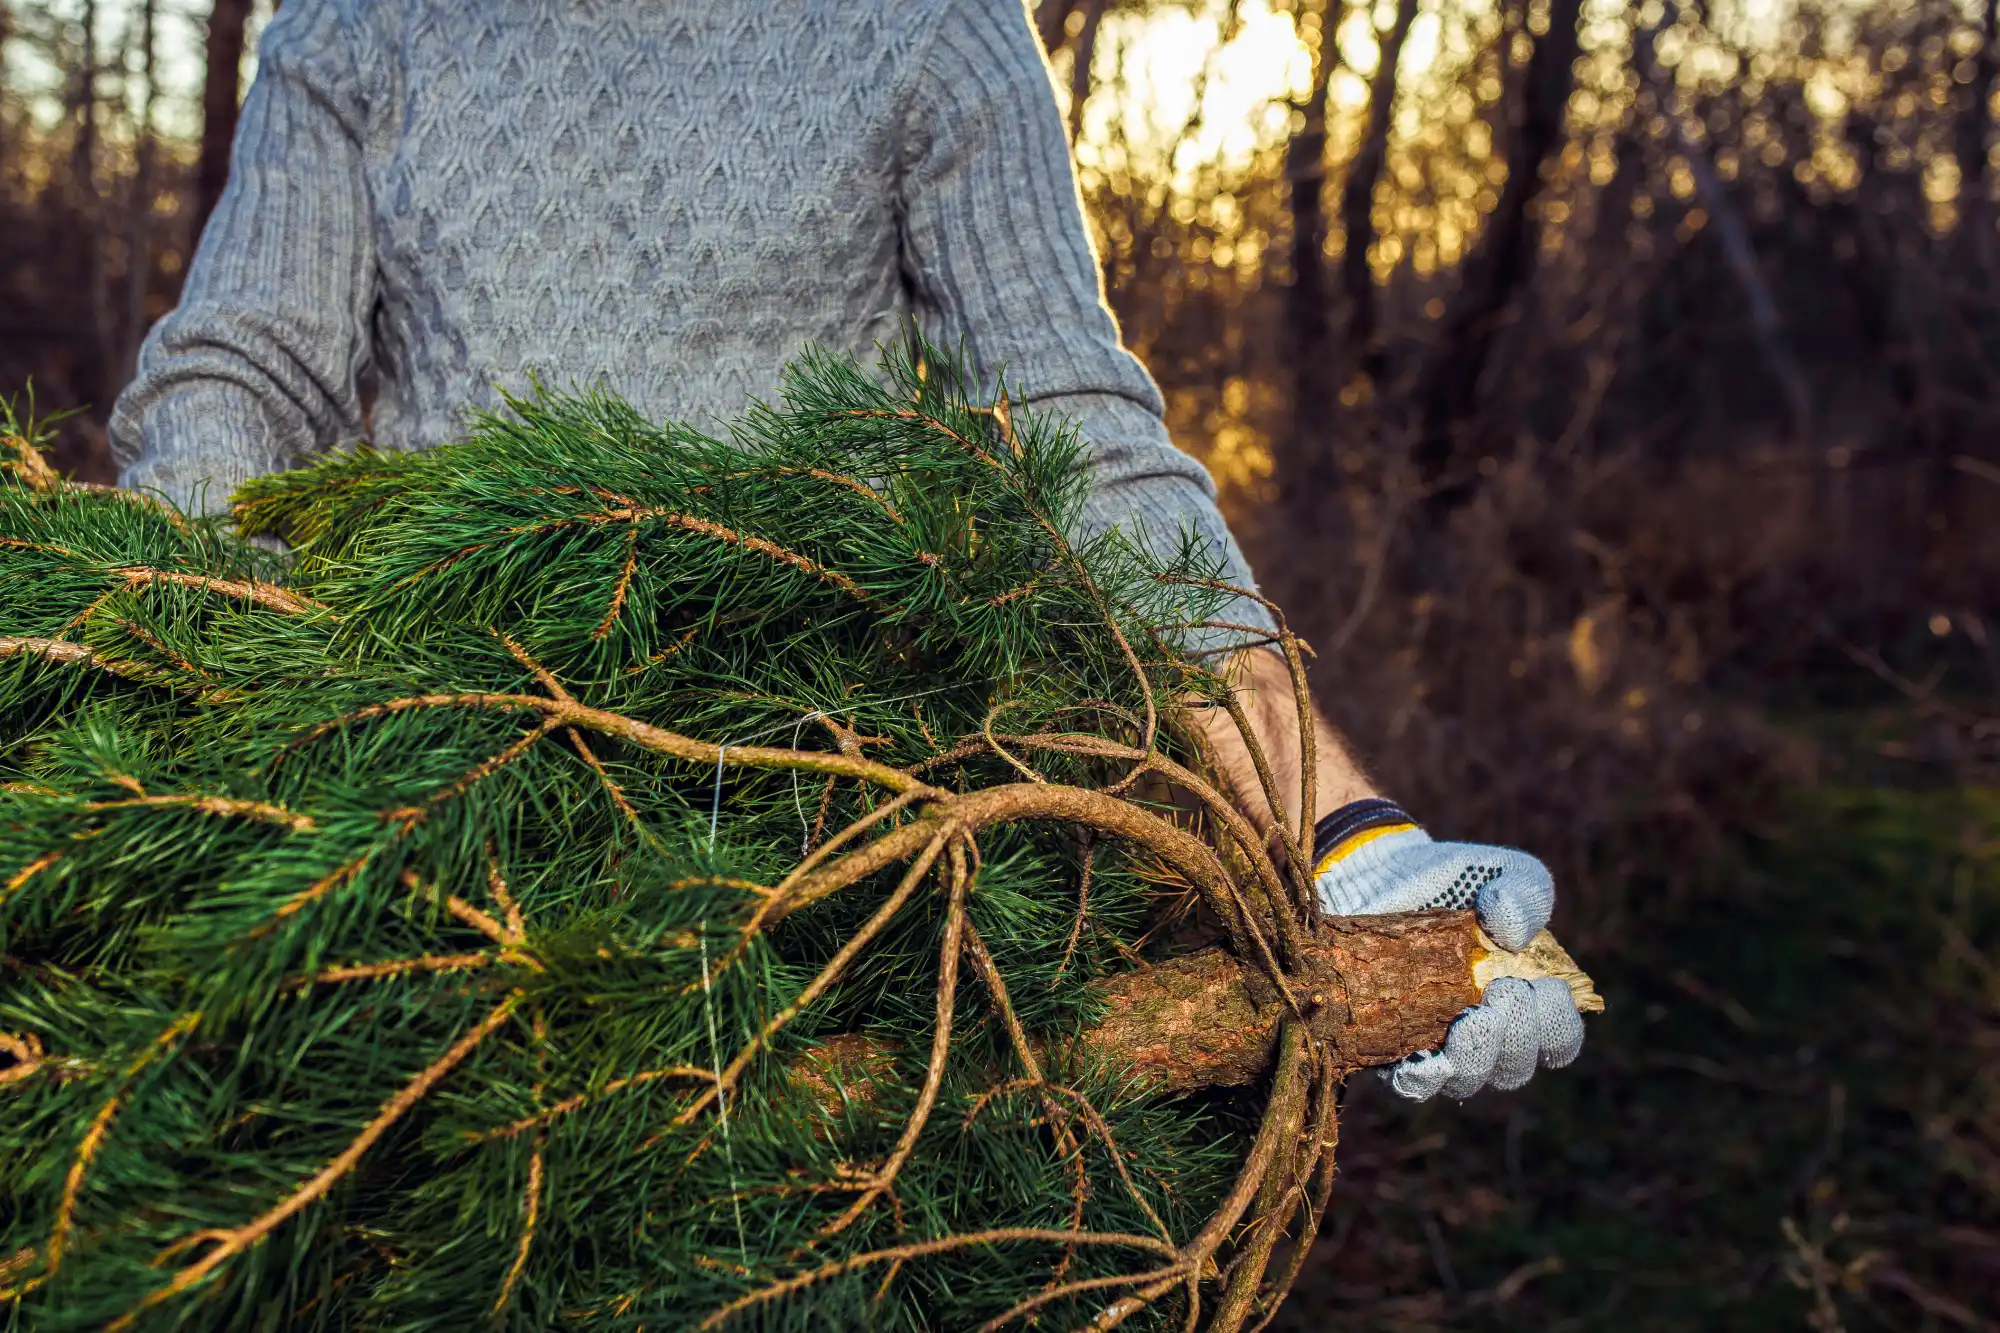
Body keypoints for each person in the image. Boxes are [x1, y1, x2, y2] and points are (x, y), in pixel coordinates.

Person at [110, 0, 1581, 1099]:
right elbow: (238, 378)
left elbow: (1068, 415)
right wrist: (229, 715)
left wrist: (1336, 825)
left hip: (831, 822)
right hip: (443, 801)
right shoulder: (364, 20)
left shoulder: (924, 24)